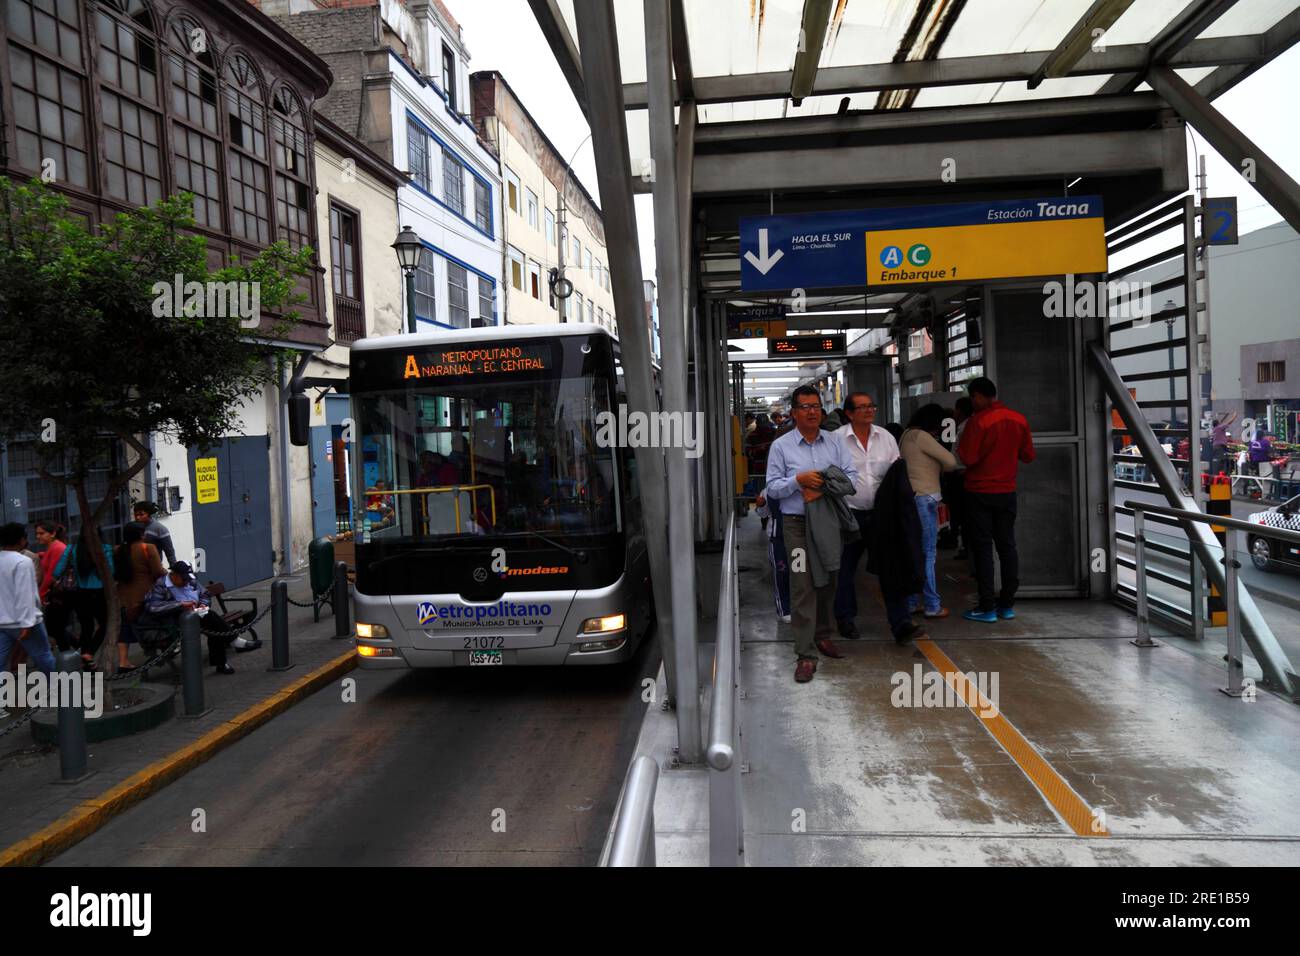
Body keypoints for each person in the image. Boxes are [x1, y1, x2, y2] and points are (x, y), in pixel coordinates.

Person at [765, 385, 859, 683]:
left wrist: (820, 490)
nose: (812, 411)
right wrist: (797, 480)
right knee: (802, 584)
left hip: (828, 522)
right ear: (793, 413)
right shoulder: (781, 446)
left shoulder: (833, 442)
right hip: (795, 525)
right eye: (805, 407)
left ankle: (822, 635)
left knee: (828, 579)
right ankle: (805, 654)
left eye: (816, 406)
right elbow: (773, 489)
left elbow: (851, 479)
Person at [832, 393, 925, 644]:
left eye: (871, 406)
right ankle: (845, 618)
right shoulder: (835, 440)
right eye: (861, 407)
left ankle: (902, 624)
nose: (868, 410)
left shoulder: (886, 438)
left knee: (891, 568)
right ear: (849, 413)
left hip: (882, 516)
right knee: (844, 570)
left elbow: (896, 476)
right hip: (848, 514)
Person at [956, 377, 1035, 623]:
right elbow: (1028, 455)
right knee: (1007, 546)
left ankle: (986, 606)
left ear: (978, 396)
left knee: (982, 549)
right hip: (1006, 492)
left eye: (973, 397)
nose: (972, 401)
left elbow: (967, 458)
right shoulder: (1018, 419)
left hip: (979, 492)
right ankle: (1007, 604)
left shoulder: (978, 422)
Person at [900, 403, 960, 619]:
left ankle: (913, 601)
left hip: (913, 498)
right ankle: (933, 604)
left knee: (915, 552)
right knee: (929, 553)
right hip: (926, 498)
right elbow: (951, 461)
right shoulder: (922, 437)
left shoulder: (907, 434)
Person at [141, 562, 239, 674]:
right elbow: (152, 607)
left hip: (194, 615)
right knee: (213, 621)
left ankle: (223, 660)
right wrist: (179, 604)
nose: (186, 582)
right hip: (175, 621)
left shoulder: (190, 580)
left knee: (213, 623)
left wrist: (203, 604)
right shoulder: (161, 585)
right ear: (174, 575)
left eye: (188, 579)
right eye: (184, 579)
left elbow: (205, 594)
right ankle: (230, 647)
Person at [0, 523, 57, 676]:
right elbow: (25, 594)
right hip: (25, 621)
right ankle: (56, 691)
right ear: (21, 540)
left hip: (3, 622)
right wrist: (27, 623)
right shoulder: (23, 561)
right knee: (44, 657)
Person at [52, 528, 114, 667]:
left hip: (78, 592)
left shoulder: (72, 548)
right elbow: (110, 571)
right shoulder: (105, 548)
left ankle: (86, 662)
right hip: (99, 591)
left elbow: (57, 572)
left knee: (87, 626)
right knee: (105, 624)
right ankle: (89, 653)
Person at [114, 522, 165, 672]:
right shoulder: (147, 548)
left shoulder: (118, 550)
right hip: (145, 596)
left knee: (124, 628)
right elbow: (157, 571)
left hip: (123, 597)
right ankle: (159, 650)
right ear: (141, 535)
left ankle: (123, 661)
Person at [33, 521, 71, 651]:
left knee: (54, 628)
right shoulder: (53, 547)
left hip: (58, 595)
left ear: (53, 533)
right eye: (37, 534)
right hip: (55, 594)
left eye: (42, 533)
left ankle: (73, 650)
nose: (38, 536)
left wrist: (41, 594)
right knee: (55, 628)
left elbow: (51, 575)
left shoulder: (57, 548)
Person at [755, 487, 790, 623]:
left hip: (800, 538)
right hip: (778, 540)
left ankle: (799, 607)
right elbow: (763, 514)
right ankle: (784, 610)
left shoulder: (800, 483)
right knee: (781, 573)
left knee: (800, 572)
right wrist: (761, 505)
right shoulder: (769, 490)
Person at [132, 501, 177, 568]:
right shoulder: (133, 527)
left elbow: (169, 551)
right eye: (136, 515)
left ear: (149, 514)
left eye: (141, 515)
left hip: (154, 568)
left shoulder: (159, 529)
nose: (138, 517)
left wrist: (174, 569)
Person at [1211, 411, 1238, 477]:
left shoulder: (1214, 429)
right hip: (1220, 447)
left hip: (1215, 447)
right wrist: (1234, 417)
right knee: (1223, 461)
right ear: (1218, 424)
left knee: (1218, 462)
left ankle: (1219, 475)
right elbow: (1228, 422)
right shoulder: (1220, 428)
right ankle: (1224, 476)